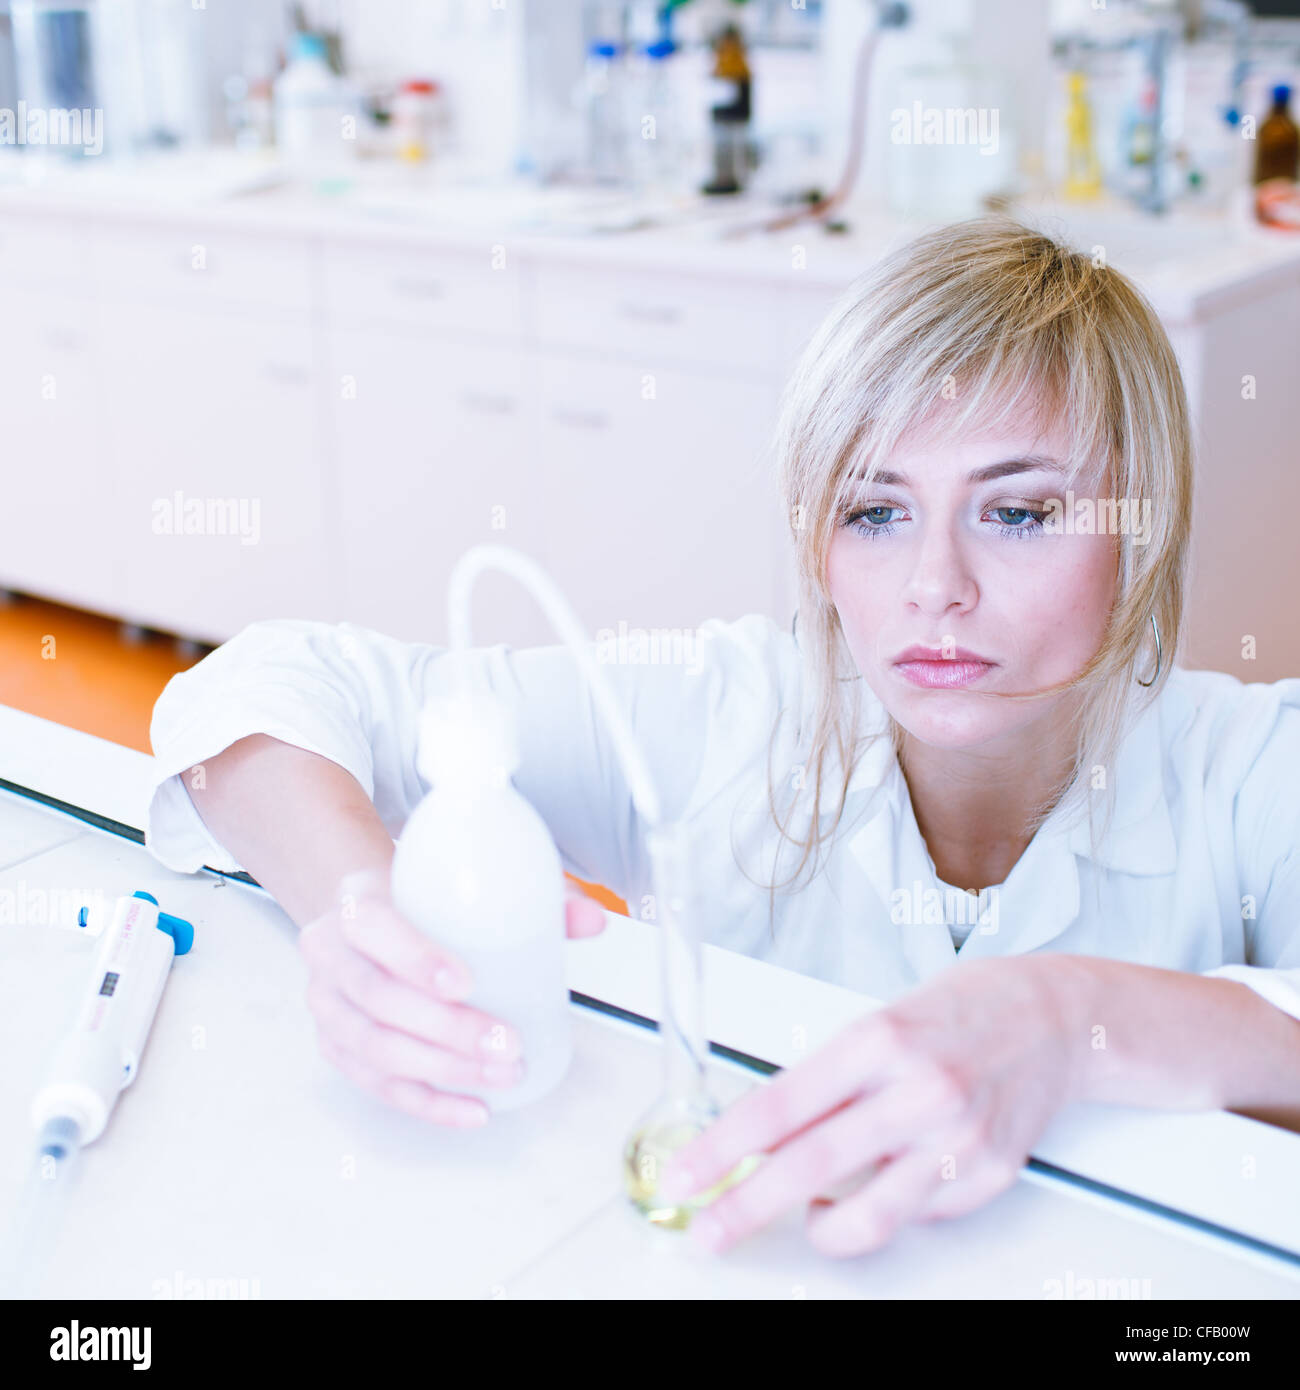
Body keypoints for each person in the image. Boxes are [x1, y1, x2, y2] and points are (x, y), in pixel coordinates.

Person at [144, 218, 1300, 1260]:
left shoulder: (1246, 765)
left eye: (1019, 511)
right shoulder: (724, 709)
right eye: (875, 510)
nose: (933, 586)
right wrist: (361, 917)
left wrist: (1061, 1020)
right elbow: (267, 685)